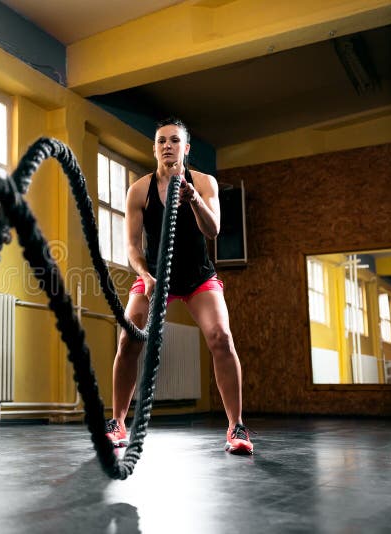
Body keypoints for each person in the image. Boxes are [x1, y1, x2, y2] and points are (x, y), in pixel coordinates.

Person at [105, 118, 253, 454]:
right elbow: (131, 247)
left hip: (198, 277)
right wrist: (146, 276)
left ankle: (237, 427)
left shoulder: (203, 183)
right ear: (155, 148)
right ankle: (117, 422)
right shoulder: (139, 189)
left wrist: (193, 200)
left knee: (221, 337)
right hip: (155, 277)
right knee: (129, 335)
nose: (167, 146)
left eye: (174, 140)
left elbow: (213, 230)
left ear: (185, 149)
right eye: (161, 141)